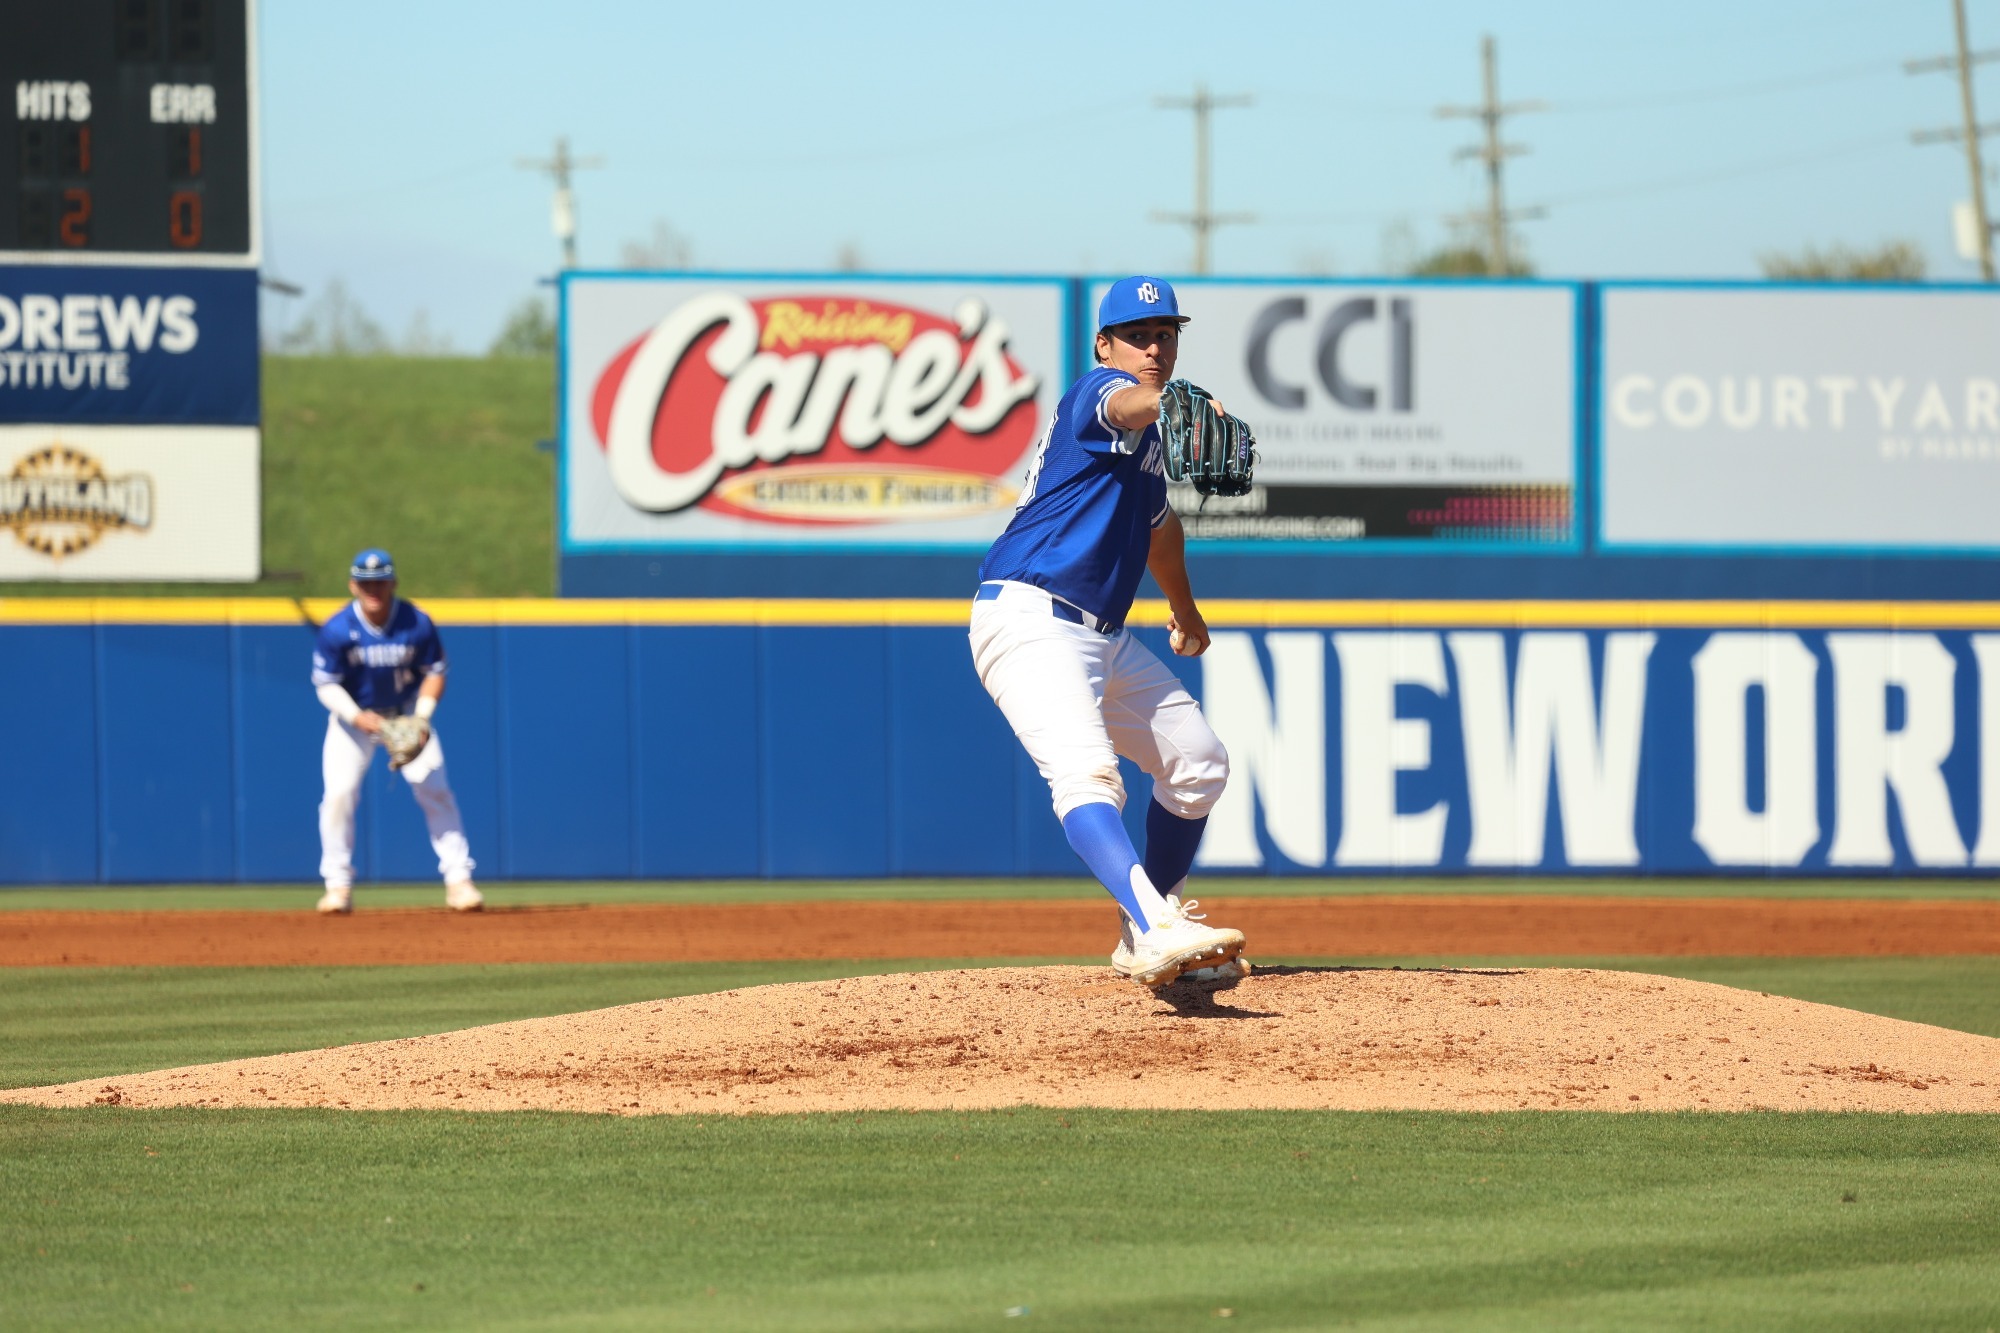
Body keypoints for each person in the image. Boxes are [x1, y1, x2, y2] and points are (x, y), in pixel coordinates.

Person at [969, 276, 1244, 989]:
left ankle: (1142, 923)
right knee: (1088, 774)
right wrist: (1171, 401)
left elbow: (1161, 531)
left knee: (1199, 763)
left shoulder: (1150, 441)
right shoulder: (1095, 395)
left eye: (1166, 334)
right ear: (1105, 343)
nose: (1155, 347)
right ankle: (1157, 926)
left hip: (1104, 636)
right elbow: (1125, 402)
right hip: (1029, 614)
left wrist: (1185, 611)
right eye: (1140, 335)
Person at [309, 548, 482, 914]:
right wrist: (357, 716)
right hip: (353, 721)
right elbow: (325, 684)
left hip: (406, 715)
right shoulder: (338, 628)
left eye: (381, 581)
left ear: (393, 583)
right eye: (366, 582)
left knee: (435, 791)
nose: (374, 589)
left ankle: (459, 881)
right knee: (339, 795)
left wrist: (421, 718)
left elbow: (435, 672)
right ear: (353, 585)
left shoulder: (416, 622)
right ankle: (338, 886)